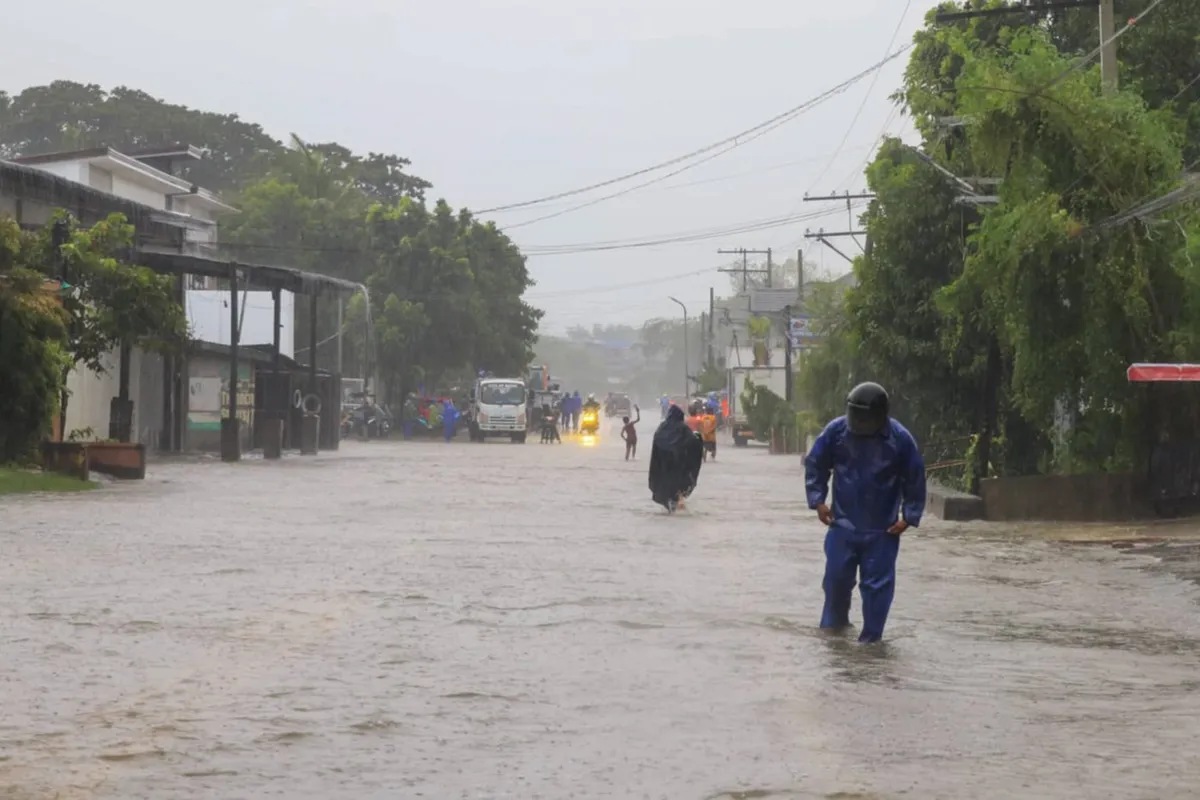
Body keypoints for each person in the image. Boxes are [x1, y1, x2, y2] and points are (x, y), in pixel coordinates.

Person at [804, 381, 926, 644]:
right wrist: (818, 501)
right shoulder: (836, 432)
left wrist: (909, 517)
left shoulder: (900, 439)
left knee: (877, 590)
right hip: (842, 526)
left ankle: (871, 643)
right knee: (836, 581)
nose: (860, 422)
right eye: (856, 416)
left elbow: (914, 478)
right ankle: (833, 634)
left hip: (882, 531)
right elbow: (816, 464)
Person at [649, 405, 705, 513]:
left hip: (663, 467)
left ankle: (670, 510)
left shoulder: (662, 427)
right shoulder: (682, 428)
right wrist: (698, 439)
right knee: (677, 490)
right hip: (678, 466)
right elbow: (692, 442)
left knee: (667, 491)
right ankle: (676, 509)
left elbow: (657, 443)